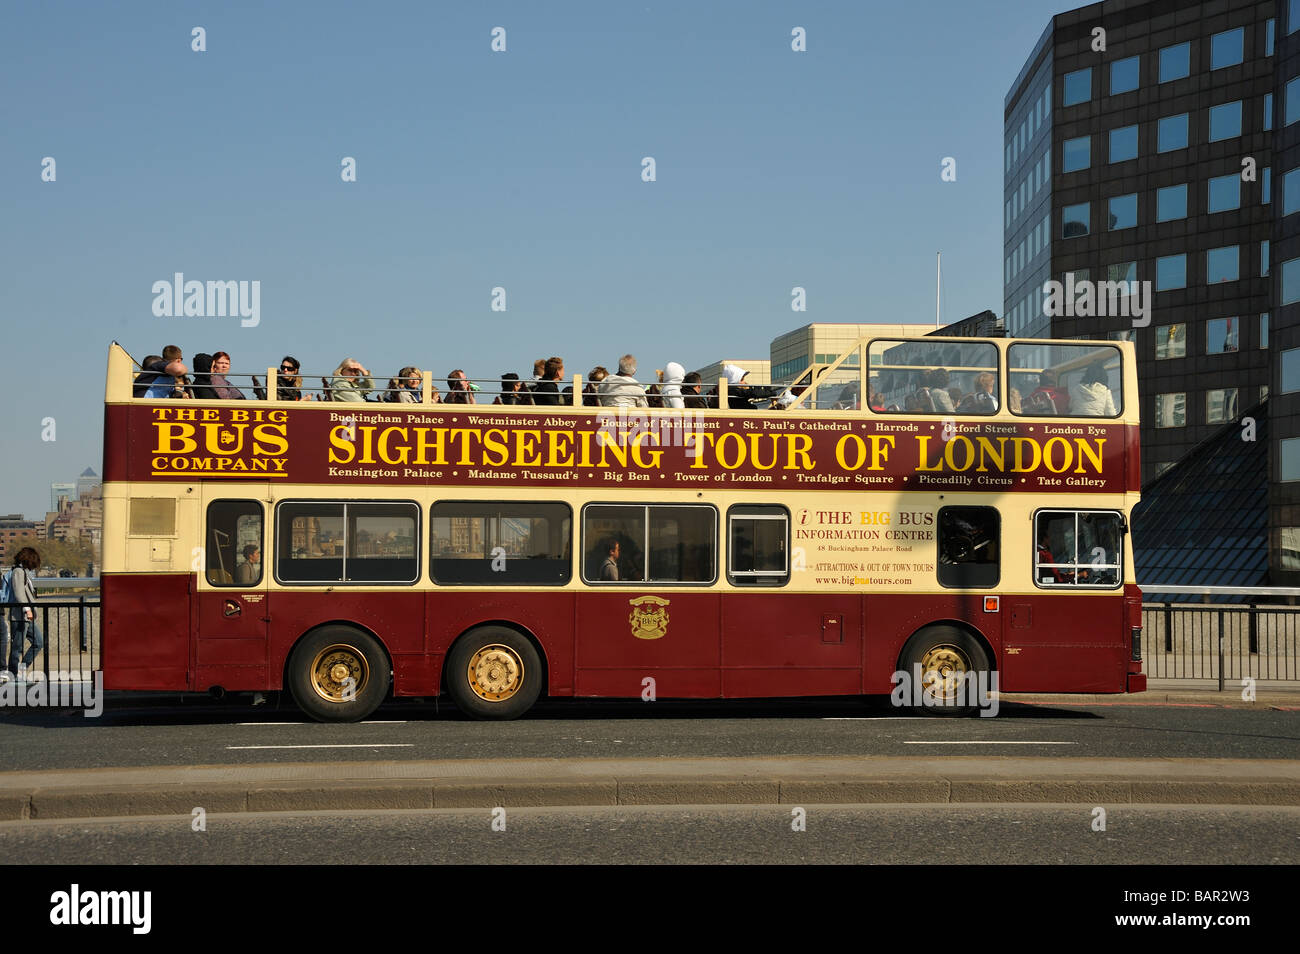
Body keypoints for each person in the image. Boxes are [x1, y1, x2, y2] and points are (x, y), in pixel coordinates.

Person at [5, 548, 44, 681]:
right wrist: (27, 609)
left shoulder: (23, 572)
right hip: (20, 616)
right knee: (17, 647)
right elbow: (19, 593)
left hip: (26, 616)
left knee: (38, 642)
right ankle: (13, 675)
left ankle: (20, 671)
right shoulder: (18, 572)